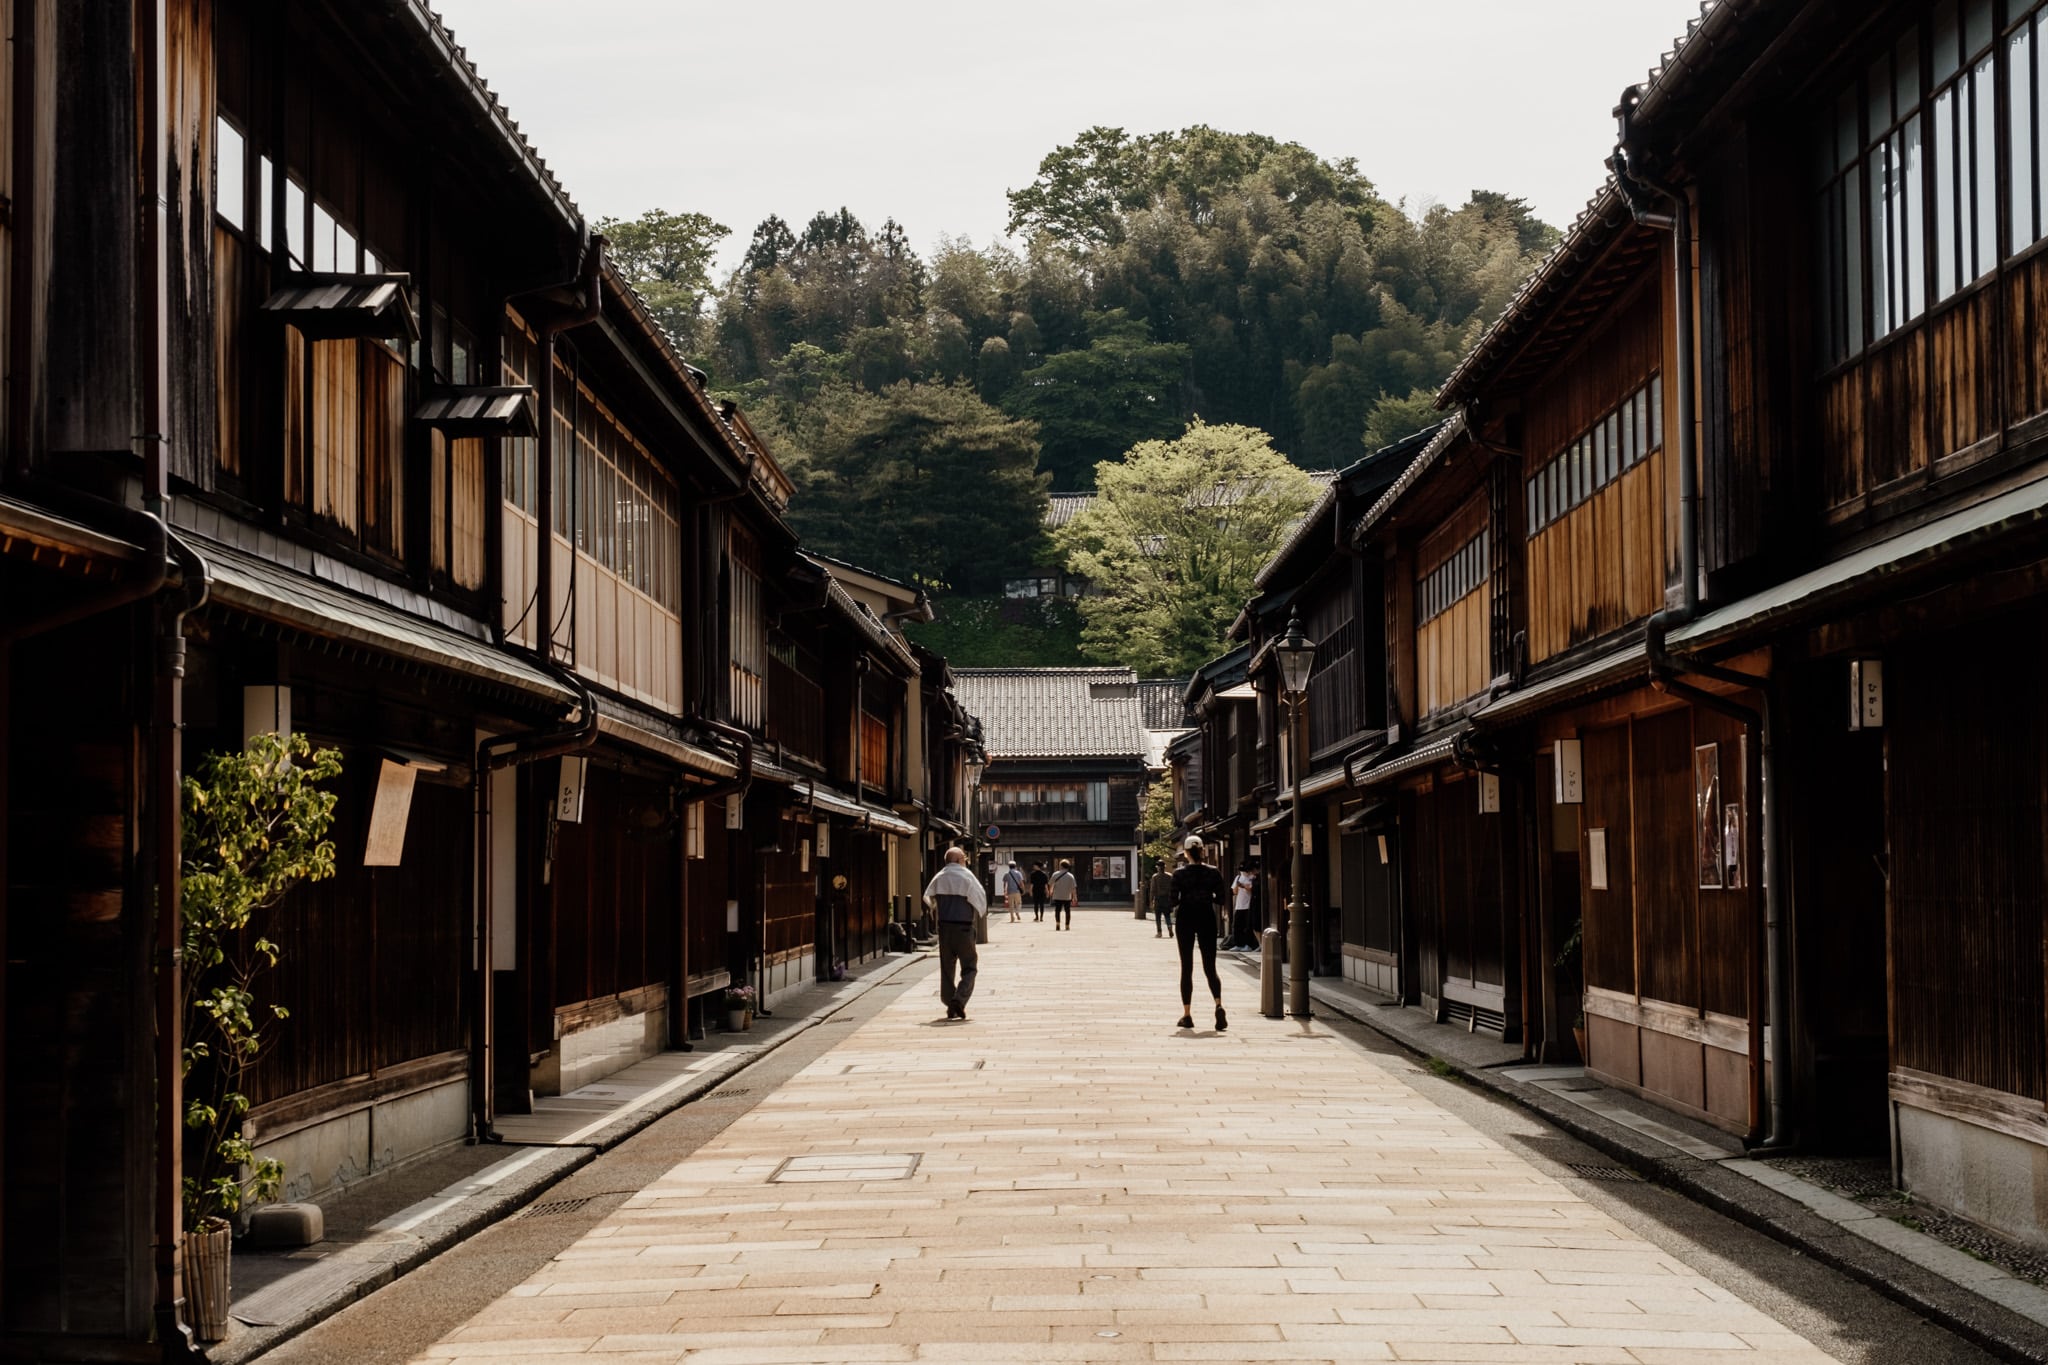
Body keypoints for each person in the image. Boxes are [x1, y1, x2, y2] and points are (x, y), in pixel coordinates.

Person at [1169, 835, 1229, 1031]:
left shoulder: (1179, 874)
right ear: (1202, 850)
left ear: (1185, 853)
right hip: (1206, 917)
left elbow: (1173, 901)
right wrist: (1207, 895)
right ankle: (1218, 1004)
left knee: (1187, 967)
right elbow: (1221, 899)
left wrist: (1185, 896)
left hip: (1186, 917)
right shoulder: (1213, 873)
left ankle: (1187, 1015)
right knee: (1210, 966)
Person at [923, 847, 987, 1019]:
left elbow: (928, 897)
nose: (965, 861)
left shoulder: (940, 876)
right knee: (970, 966)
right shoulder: (967, 876)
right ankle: (958, 1000)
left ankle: (949, 1001)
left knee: (947, 968)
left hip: (944, 928)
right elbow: (980, 899)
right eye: (964, 858)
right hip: (964, 927)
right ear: (959, 860)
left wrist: (935, 908)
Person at [1230, 863, 1258, 948]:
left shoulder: (1252, 878)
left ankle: (1248, 944)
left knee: (1247, 927)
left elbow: (1252, 890)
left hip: (1248, 905)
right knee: (1237, 926)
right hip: (1239, 905)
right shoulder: (1238, 877)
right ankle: (1238, 944)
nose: (1243, 872)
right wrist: (1237, 886)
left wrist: (1243, 886)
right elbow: (1235, 892)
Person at [1049, 859, 1078, 930]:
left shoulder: (1055, 874)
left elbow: (1051, 884)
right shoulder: (1071, 876)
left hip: (1057, 896)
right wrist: (1075, 897)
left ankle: (1058, 923)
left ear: (1061, 866)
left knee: (1057, 910)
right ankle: (1067, 925)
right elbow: (1073, 888)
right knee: (1067, 911)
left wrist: (1051, 891)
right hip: (1067, 896)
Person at [1148, 860, 1174, 937]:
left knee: (1158, 917)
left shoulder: (1155, 877)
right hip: (1167, 899)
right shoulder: (1169, 876)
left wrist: (1151, 901)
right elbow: (1172, 889)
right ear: (1164, 867)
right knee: (1167, 915)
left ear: (1158, 868)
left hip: (1158, 899)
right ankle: (1169, 927)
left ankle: (1159, 932)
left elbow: (1152, 890)